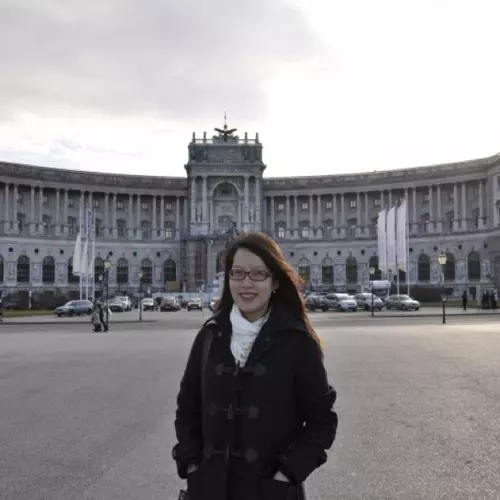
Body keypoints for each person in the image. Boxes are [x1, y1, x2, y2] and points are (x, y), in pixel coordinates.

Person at [173, 232, 338, 500]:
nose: (246, 283)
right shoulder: (209, 336)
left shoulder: (298, 342)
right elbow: (187, 408)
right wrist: (192, 464)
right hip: (209, 490)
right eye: (237, 273)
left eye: (258, 274)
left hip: (271, 493)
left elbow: (323, 421)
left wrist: (287, 473)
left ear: (274, 281)